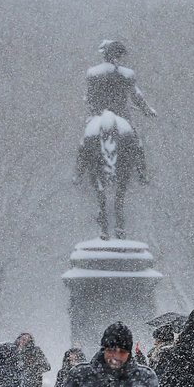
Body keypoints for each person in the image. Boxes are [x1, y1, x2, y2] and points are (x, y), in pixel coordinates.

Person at [77, 39, 158, 240]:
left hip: (98, 117)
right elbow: (136, 97)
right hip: (122, 118)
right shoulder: (127, 75)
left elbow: (89, 99)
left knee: (84, 144)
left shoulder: (93, 74)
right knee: (136, 144)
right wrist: (147, 110)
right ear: (118, 55)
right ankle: (142, 172)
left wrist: (96, 108)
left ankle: (78, 172)